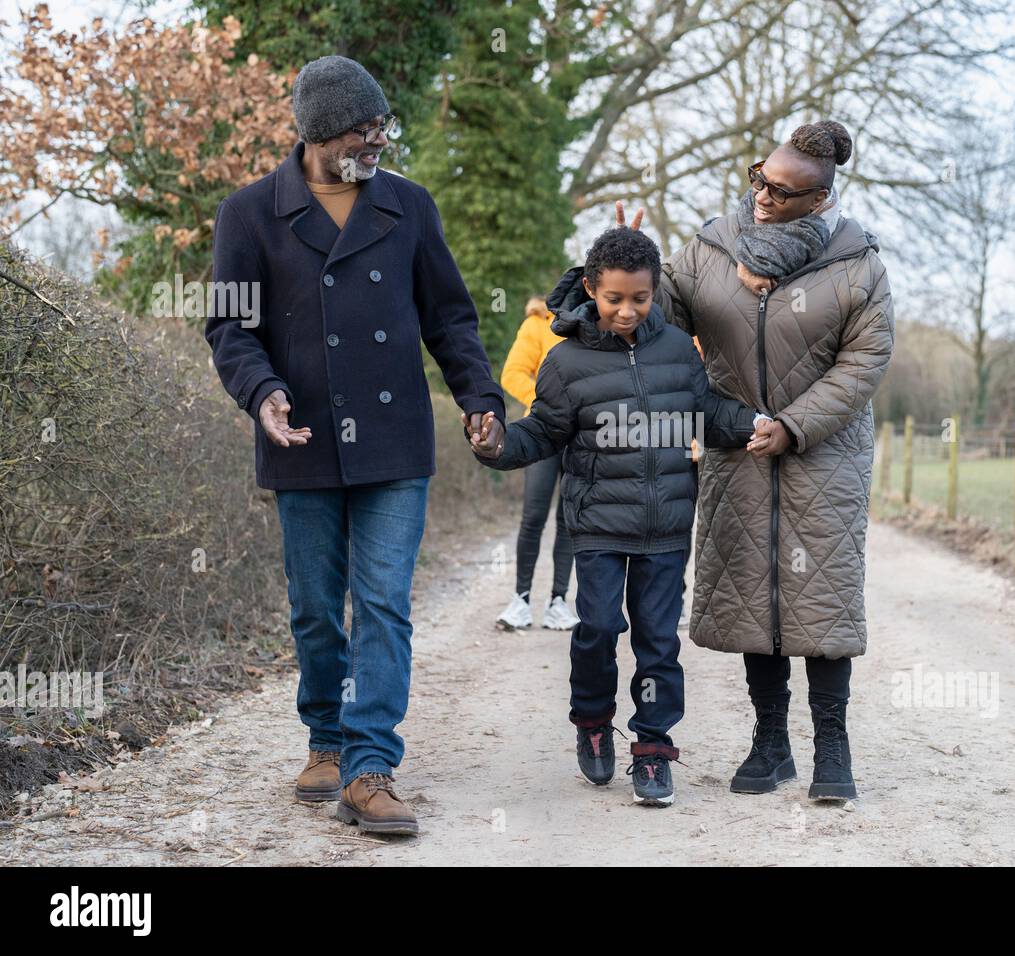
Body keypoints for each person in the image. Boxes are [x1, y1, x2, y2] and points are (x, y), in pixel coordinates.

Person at [204, 55, 505, 836]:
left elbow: (451, 318)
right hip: (299, 437)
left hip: (393, 442)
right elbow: (231, 330)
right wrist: (262, 393)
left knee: (381, 604)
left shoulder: (408, 205)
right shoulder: (248, 215)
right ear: (314, 133)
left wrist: (478, 399)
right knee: (314, 611)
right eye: (359, 130)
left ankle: (371, 766)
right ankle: (325, 740)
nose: (376, 141)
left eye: (381, 126)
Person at [628, 119, 895, 801]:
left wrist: (794, 426)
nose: (764, 197)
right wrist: (630, 264)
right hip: (734, 445)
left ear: (818, 199)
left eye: (781, 191)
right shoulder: (709, 248)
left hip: (823, 452)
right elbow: (658, 319)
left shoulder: (857, 262)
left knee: (824, 599)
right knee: (754, 592)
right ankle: (769, 743)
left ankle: (832, 748)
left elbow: (865, 361)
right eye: (760, 179)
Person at [469, 228, 760, 807]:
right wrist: (498, 445)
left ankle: (652, 751)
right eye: (614, 299)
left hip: (666, 528)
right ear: (590, 290)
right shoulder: (565, 362)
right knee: (598, 629)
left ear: (655, 293)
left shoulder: (678, 349)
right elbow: (546, 431)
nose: (627, 311)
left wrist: (756, 423)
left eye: (641, 299)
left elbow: (704, 412)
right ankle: (594, 720)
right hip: (598, 525)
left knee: (657, 643)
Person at [495, 297, 581, 631]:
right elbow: (512, 372)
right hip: (544, 431)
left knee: (569, 519)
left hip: (582, 436)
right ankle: (521, 599)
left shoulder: (594, 324)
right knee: (533, 516)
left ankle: (558, 601)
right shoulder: (536, 323)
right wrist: (547, 403)